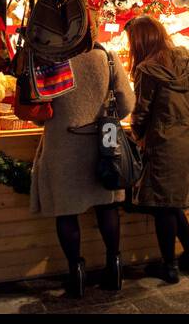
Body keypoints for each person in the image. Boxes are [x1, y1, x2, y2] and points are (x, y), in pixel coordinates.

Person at [28, 32, 134, 298]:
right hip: (103, 145)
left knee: (66, 212)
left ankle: (75, 274)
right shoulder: (107, 56)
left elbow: (39, 116)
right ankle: (115, 265)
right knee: (108, 205)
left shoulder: (50, 60)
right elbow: (127, 104)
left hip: (62, 145)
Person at [125, 14, 189, 284]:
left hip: (163, 144)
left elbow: (141, 112)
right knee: (173, 204)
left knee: (163, 206)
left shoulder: (147, 70)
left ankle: (169, 266)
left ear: (140, 42)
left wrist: (137, 135)